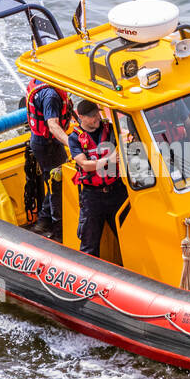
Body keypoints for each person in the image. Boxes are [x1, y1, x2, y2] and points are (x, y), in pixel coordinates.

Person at [68, 98, 128, 257]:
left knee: (128, 235)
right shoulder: (74, 138)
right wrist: (109, 160)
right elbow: (84, 165)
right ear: (81, 117)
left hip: (117, 191)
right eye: (92, 115)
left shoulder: (111, 129)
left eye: (97, 113)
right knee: (89, 243)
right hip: (92, 196)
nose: (97, 118)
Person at [24, 78, 73, 238]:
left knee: (53, 183)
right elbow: (52, 125)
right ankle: (58, 230)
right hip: (47, 145)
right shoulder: (50, 96)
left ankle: (43, 221)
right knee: (57, 185)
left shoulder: (42, 84)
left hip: (45, 141)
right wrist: (72, 144)